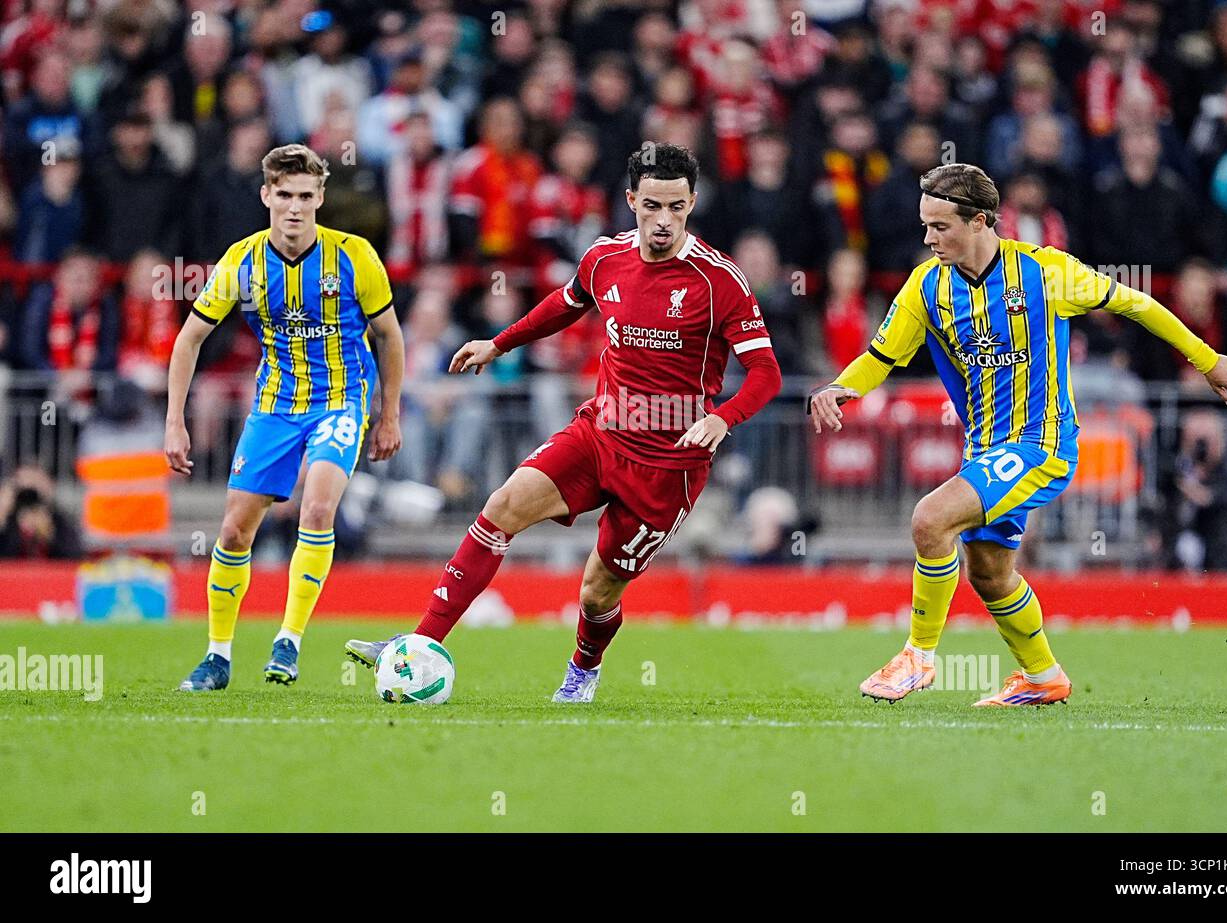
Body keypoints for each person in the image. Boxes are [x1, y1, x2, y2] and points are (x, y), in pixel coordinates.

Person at [344, 143, 782, 703]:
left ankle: (582, 670)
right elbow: (566, 303)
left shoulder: (720, 281)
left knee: (598, 592)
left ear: (691, 203)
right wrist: (498, 345)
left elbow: (766, 373)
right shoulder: (604, 259)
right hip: (599, 432)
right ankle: (419, 641)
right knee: (501, 508)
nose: (664, 220)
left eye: (676, 207)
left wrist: (723, 420)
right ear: (631, 201)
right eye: (652, 206)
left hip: (668, 465)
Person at [808, 163, 1227, 707]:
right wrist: (840, 388)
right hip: (986, 450)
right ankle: (1043, 677)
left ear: (980, 222)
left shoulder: (1046, 272)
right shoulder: (927, 286)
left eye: (940, 226)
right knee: (990, 574)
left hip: (1039, 445)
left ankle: (917, 656)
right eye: (925, 225)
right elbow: (880, 358)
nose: (928, 238)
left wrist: (1208, 362)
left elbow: (1136, 304)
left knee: (930, 518)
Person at [164, 144, 404, 692]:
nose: (295, 207)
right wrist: (174, 420)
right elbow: (190, 338)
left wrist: (388, 413)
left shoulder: (355, 256)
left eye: (305, 196)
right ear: (266, 195)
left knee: (317, 508)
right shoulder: (242, 261)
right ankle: (217, 657)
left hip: (343, 399)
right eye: (285, 195)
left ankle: (288, 642)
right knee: (232, 529)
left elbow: (389, 335)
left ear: (320, 198)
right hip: (275, 405)